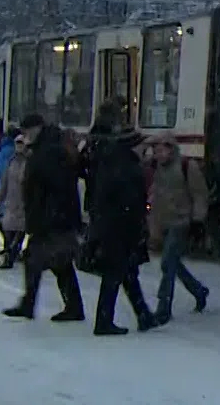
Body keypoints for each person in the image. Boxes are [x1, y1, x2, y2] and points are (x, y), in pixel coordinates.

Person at [3, 114, 85, 322]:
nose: (25, 135)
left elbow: (51, 188)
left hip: (50, 218)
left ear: (37, 128)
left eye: (27, 131)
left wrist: (43, 214)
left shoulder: (48, 152)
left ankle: (34, 304)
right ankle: (66, 305)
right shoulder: (48, 148)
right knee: (57, 262)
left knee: (41, 260)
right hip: (52, 217)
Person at [84, 112, 155, 336]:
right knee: (116, 274)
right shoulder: (127, 168)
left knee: (126, 274)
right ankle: (104, 321)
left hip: (111, 228)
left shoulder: (113, 162)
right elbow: (130, 203)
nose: (146, 150)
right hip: (119, 230)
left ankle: (143, 315)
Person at [142, 131, 209, 326]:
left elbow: (199, 194)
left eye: (161, 150)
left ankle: (164, 307)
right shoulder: (156, 169)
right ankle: (198, 290)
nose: (158, 154)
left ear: (171, 150)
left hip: (181, 222)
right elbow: (154, 195)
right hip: (163, 222)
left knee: (168, 263)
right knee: (172, 263)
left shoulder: (187, 166)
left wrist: (197, 220)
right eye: (156, 151)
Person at [0, 126, 26, 268]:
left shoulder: (29, 162)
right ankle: (10, 253)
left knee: (20, 230)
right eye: (17, 144)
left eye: (21, 144)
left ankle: (11, 254)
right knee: (9, 229)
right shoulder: (11, 162)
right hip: (11, 202)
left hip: (24, 202)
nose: (19, 147)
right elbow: (4, 181)